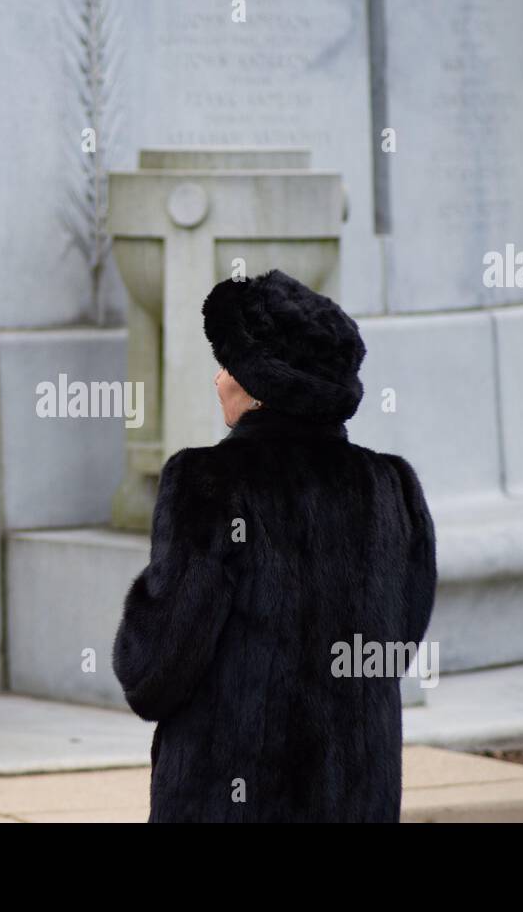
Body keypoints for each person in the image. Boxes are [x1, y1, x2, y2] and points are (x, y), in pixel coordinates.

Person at [112, 269, 437, 822]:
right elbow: (399, 639)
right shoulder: (391, 486)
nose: (218, 380)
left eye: (228, 367)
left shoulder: (209, 482)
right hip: (356, 794)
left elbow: (157, 667)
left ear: (257, 390)